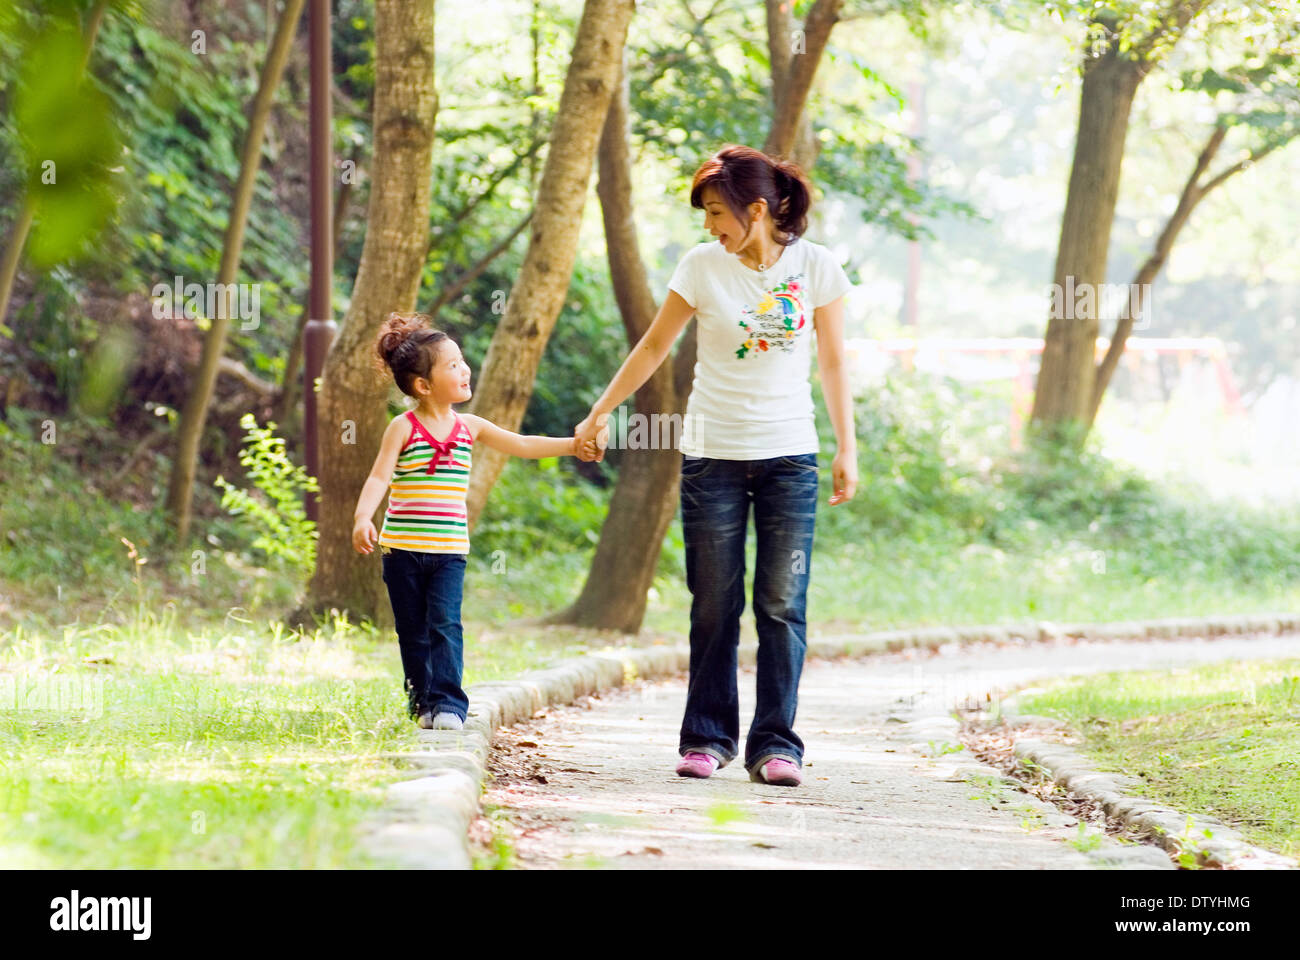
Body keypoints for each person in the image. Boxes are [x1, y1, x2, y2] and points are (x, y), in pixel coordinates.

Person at [574, 144, 858, 787]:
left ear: (755, 210)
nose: (709, 226)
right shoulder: (702, 266)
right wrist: (601, 411)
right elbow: (653, 345)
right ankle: (707, 737)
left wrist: (848, 447)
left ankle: (777, 745)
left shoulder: (817, 267)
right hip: (712, 458)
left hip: (789, 457)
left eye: (715, 213)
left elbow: (836, 362)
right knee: (714, 602)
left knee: (782, 604)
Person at [353, 312, 597, 730]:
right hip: (402, 550)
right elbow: (379, 476)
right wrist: (362, 518)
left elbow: (521, 443)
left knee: (445, 624)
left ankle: (449, 704)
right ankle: (422, 703)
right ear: (423, 385)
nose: (465, 369)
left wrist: (573, 446)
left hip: (449, 552)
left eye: (462, 360)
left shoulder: (470, 427)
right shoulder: (403, 427)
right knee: (413, 632)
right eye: (452, 365)